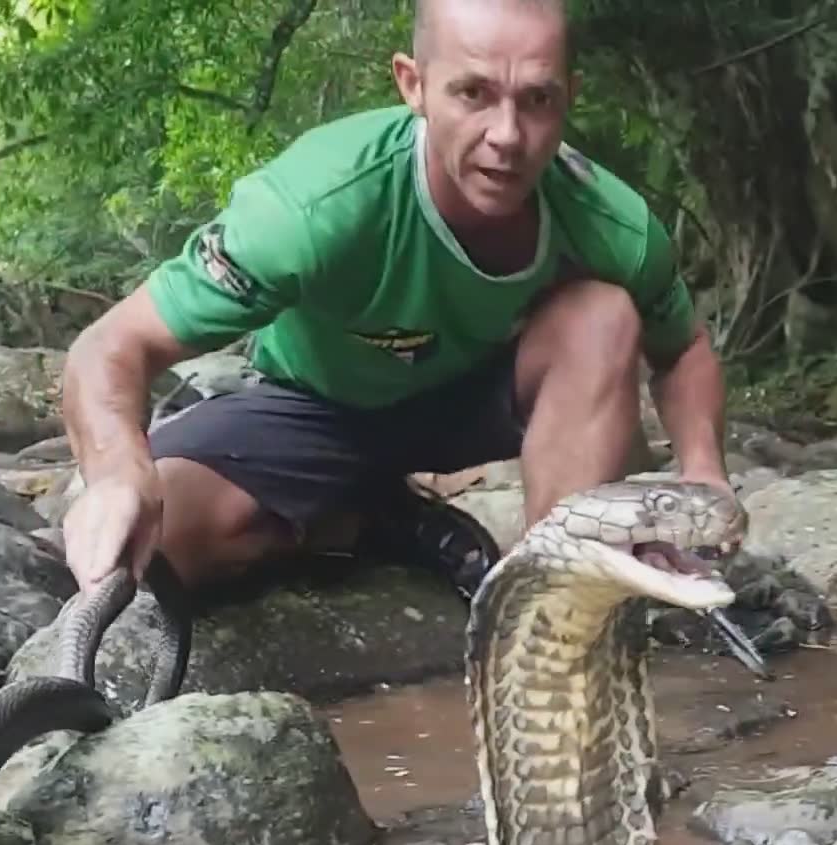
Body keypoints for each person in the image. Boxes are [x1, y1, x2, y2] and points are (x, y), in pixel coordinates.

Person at [56, 0, 732, 602]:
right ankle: (368, 519)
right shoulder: (314, 207)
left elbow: (684, 349)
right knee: (153, 546)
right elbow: (111, 346)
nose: (507, 135)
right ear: (414, 84)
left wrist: (704, 474)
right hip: (313, 404)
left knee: (604, 316)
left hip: (473, 399)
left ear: (568, 98)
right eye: (473, 93)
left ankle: (552, 592)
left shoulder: (610, 223)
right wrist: (117, 472)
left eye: (536, 100)